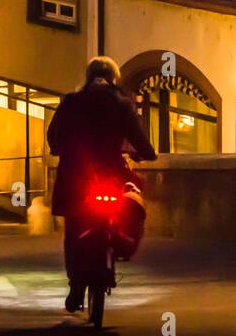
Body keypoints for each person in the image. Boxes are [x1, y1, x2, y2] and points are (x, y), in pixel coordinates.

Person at [46, 56, 157, 313]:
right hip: (111, 170)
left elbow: (54, 134)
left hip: (77, 173)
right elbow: (138, 137)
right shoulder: (121, 104)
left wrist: (58, 148)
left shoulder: (72, 101)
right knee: (127, 204)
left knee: (74, 230)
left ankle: (76, 287)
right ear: (113, 78)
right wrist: (147, 152)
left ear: (88, 76)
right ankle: (119, 241)